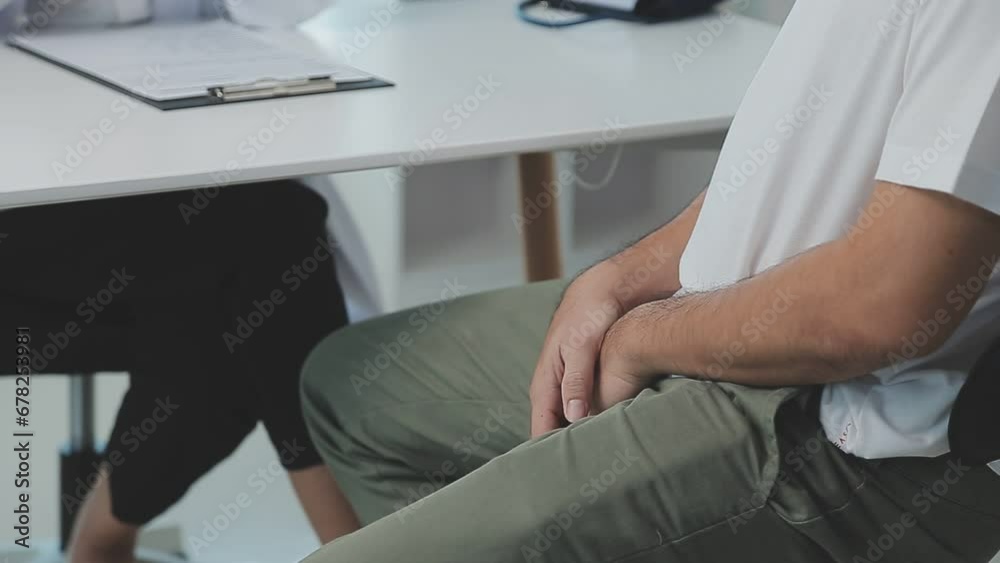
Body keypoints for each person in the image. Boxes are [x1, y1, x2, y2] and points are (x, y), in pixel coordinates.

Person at [299, 1, 1000, 561]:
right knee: (351, 382)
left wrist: (643, 341)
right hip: (730, 323)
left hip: (840, 428)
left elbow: (881, 310)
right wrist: (619, 279)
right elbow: (799, 167)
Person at [0, 2, 361, 563]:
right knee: (264, 255)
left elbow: (283, 12)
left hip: (163, 155)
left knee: (253, 263)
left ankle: (100, 544)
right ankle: (361, 549)